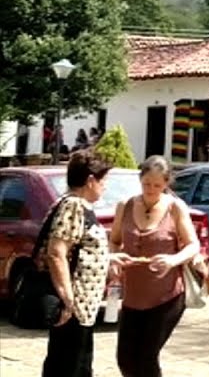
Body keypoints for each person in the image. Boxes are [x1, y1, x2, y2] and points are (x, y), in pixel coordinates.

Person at [110, 156, 201, 377]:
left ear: (166, 184)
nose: (151, 189)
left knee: (147, 358)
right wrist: (114, 259)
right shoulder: (126, 205)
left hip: (166, 296)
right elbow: (114, 240)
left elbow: (193, 245)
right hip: (133, 296)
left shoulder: (175, 207)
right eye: (146, 184)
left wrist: (172, 260)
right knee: (126, 359)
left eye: (157, 185)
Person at [40, 150, 114, 377]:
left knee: (75, 366)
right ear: (91, 180)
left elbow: (82, 249)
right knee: (69, 367)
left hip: (83, 307)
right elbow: (57, 253)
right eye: (103, 181)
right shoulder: (73, 206)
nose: (105, 187)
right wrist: (68, 299)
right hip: (74, 306)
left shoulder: (78, 206)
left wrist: (112, 259)